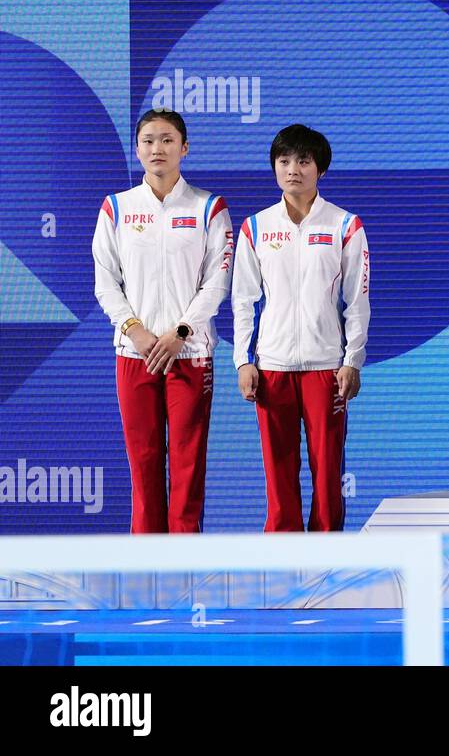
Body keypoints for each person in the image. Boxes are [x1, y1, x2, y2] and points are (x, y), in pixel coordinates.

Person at [92, 109, 232, 532]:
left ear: (184, 148)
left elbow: (217, 282)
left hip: (189, 354)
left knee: (187, 462)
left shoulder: (209, 207)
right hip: (134, 354)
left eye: (168, 140)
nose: (158, 148)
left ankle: (183, 565)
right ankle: (146, 567)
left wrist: (181, 332)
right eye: (149, 140)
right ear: (137, 150)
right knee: (144, 460)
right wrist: (133, 330)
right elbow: (105, 281)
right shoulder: (116, 207)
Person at [232, 124, 370, 531]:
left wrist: (352, 360)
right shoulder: (255, 228)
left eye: (304, 161)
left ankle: (327, 560)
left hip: (326, 367)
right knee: (278, 475)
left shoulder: (345, 226)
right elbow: (243, 300)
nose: (293, 169)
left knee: (328, 473)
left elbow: (357, 300)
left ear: (320, 170)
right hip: (271, 368)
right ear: (275, 167)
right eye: (285, 161)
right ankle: (283, 565)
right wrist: (243, 360)